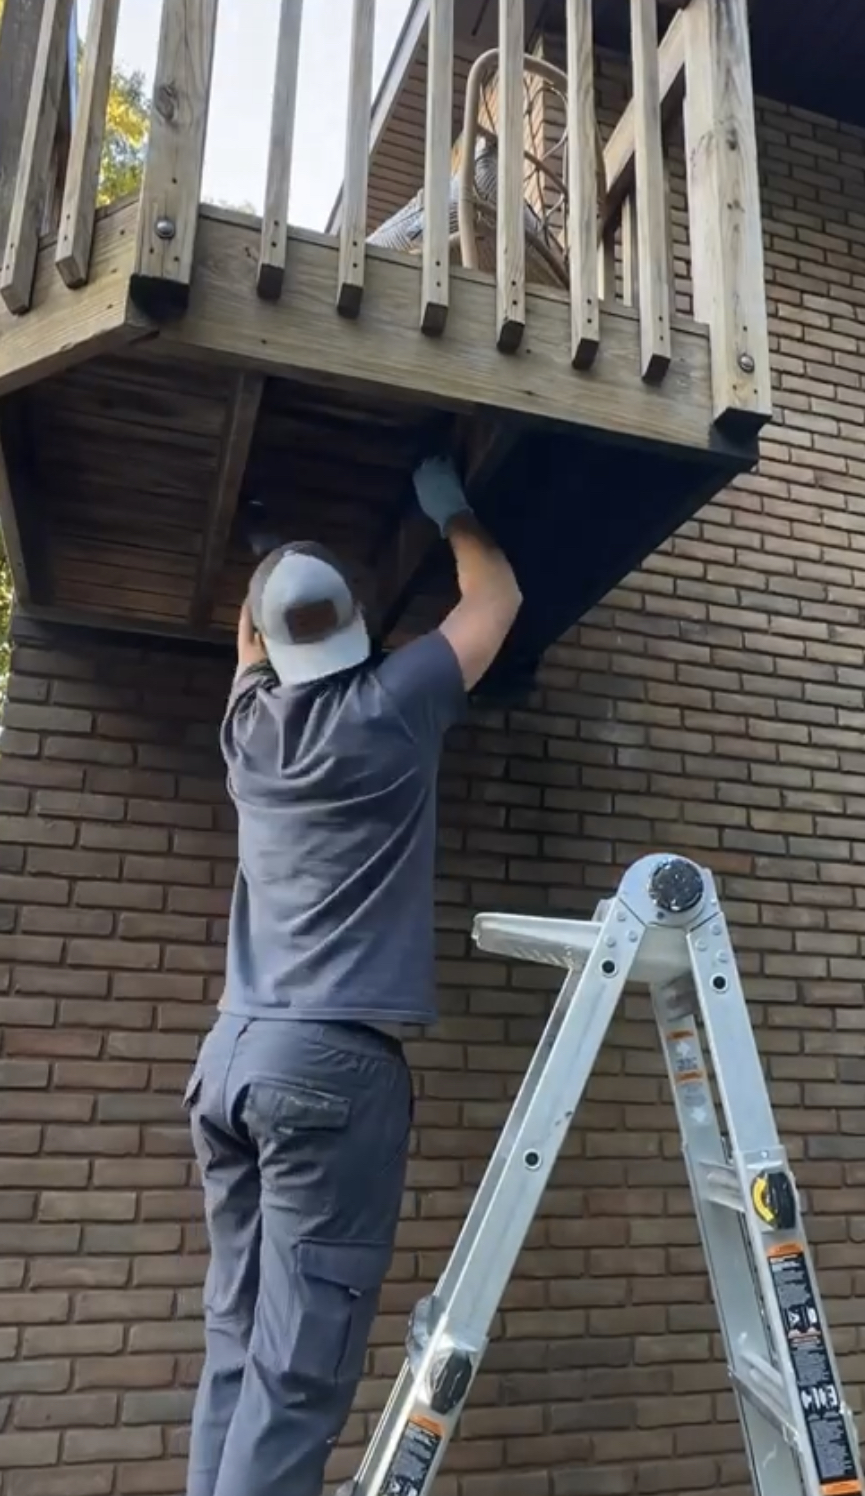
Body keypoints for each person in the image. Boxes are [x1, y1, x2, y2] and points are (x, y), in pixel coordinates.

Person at [183, 454, 523, 1496]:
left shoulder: (248, 733)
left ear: (266, 644)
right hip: (327, 1072)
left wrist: (265, 583)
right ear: (360, 633)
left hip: (231, 1060)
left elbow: (252, 648)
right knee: (297, 1371)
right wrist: (452, 506)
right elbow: (497, 595)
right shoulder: (394, 700)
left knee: (237, 1342)